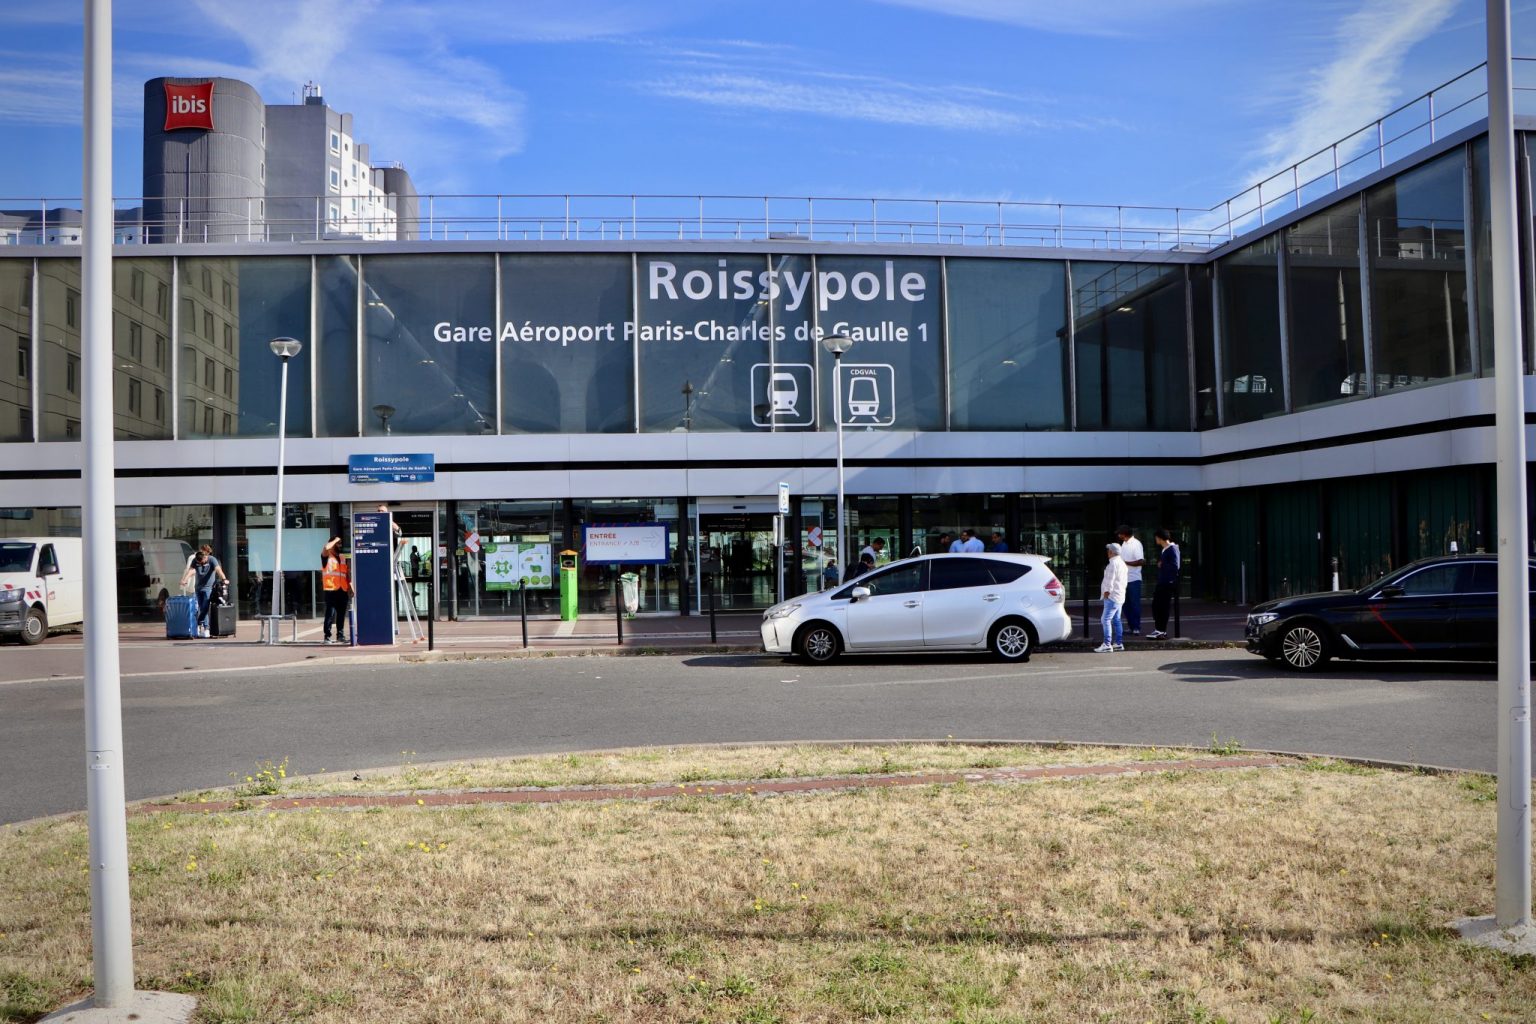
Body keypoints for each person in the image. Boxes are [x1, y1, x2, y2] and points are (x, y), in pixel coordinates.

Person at [179, 547, 228, 639]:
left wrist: (224, 579)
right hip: (198, 587)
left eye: (202, 562)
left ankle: (200, 625)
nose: (201, 564)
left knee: (205, 608)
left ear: (206, 557)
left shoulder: (212, 560)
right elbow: (191, 571)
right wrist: (184, 579)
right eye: (199, 563)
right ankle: (204, 629)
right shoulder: (195, 560)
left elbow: (218, 570)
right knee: (202, 608)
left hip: (208, 588)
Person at [1148, 528, 1181, 640]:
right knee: (1157, 605)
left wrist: (1162, 565)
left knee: (1162, 606)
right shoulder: (1166, 549)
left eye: (1156, 538)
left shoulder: (1172, 549)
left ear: (1160, 538)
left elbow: (1175, 566)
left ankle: (1161, 631)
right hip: (1163, 581)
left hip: (1167, 582)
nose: (1155, 540)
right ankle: (1159, 629)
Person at [1096, 541, 1127, 653]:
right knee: (1117, 620)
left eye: (1108, 550)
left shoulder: (1112, 564)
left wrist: (1106, 593)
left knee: (1105, 619)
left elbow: (1110, 581)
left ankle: (1107, 644)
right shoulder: (1122, 563)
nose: (1107, 552)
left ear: (1111, 552)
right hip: (1120, 595)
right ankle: (1118, 643)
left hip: (1112, 596)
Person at [1115, 524, 1145, 636]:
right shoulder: (1124, 543)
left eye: (1120, 533)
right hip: (1124, 579)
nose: (1119, 535)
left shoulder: (1136, 544)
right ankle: (1132, 627)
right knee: (1125, 604)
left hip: (1133, 578)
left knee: (1134, 604)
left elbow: (1141, 561)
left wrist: (1125, 563)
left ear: (1125, 534)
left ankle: (1136, 627)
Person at [321, 537, 351, 645]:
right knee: (330, 613)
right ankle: (327, 636)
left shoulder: (342, 557)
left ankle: (340, 635)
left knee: (341, 614)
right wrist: (334, 541)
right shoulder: (326, 556)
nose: (340, 545)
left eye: (340, 543)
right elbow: (325, 547)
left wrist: (350, 586)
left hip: (342, 589)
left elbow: (346, 574)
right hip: (331, 589)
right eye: (338, 544)